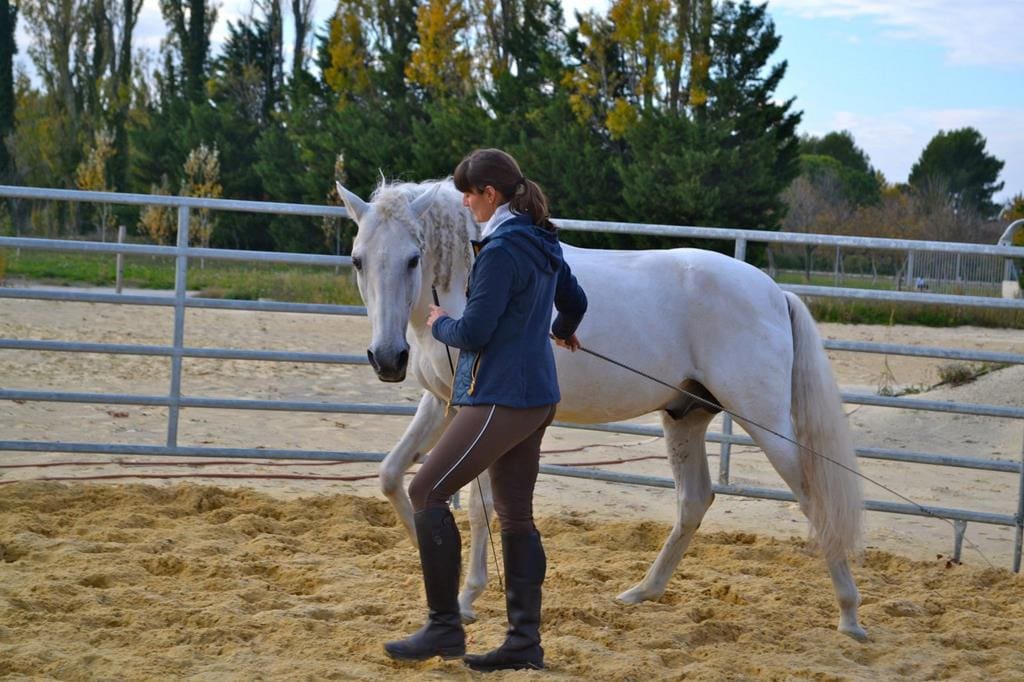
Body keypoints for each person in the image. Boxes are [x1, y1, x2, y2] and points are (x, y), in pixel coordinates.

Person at [383, 148, 588, 671]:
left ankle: (445, 627)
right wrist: (562, 332)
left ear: (489, 195)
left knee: (425, 490)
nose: (466, 202)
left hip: (502, 397)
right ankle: (524, 643)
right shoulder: (544, 238)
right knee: (515, 513)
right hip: (538, 396)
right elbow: (576, 301)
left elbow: (473, 331)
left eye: (469, 195)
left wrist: (437, 323)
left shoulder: (499, 249)